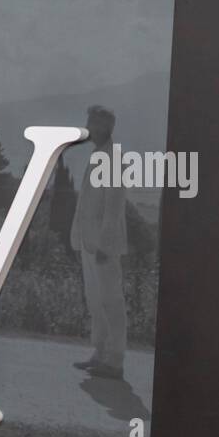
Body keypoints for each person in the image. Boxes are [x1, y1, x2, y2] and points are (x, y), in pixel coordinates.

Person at [70, 105, 128, 380]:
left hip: (103, 246)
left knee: (111, 300)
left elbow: (113, 207)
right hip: (89, 242)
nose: (88, 128)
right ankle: (100, 352)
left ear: (105, 127)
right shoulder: (98, 155)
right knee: (95, 300)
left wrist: (106, 245)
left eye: (92, 123)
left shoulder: (113, 158)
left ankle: (115, 360)